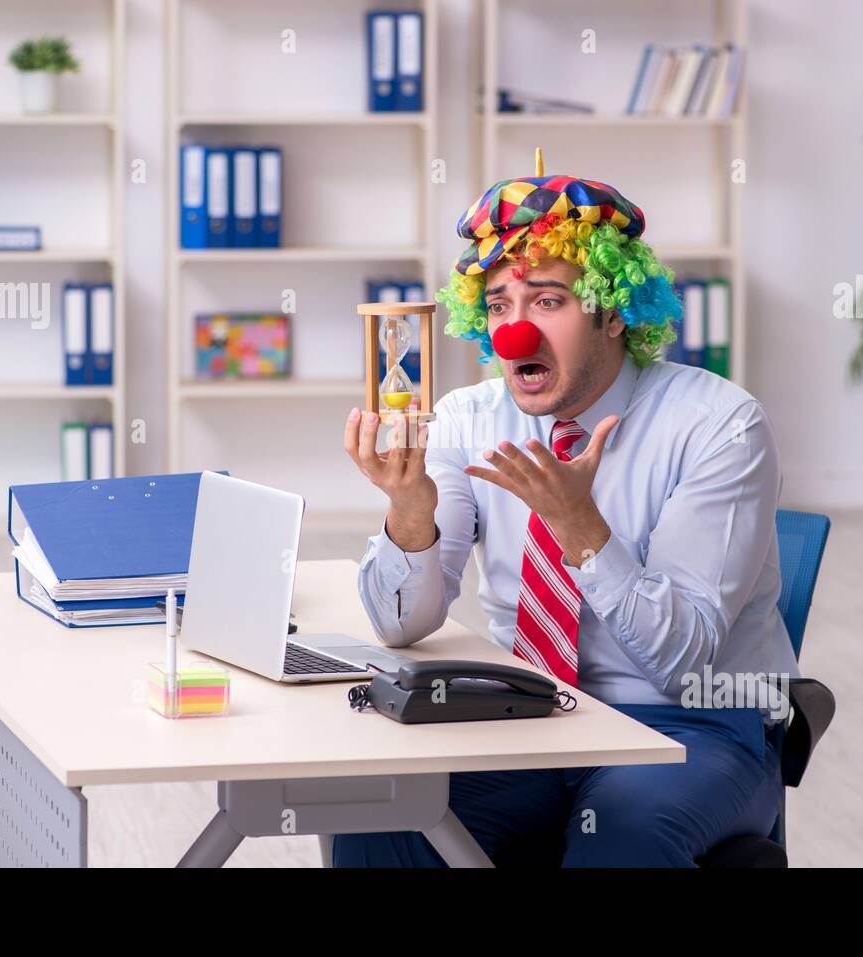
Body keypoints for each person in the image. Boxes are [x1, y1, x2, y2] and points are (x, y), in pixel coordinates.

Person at [337, 155, 798, 867]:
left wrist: (581, 529)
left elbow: (684, 663)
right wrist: (410, 514)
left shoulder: (719, 424)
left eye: (547, 301)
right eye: (498, 306)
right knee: (380, 824)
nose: (514, 332)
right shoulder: (466, 418)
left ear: (613, 310)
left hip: (690, 724)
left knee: (622, 839)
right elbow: (403, 625)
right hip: (523, 713)